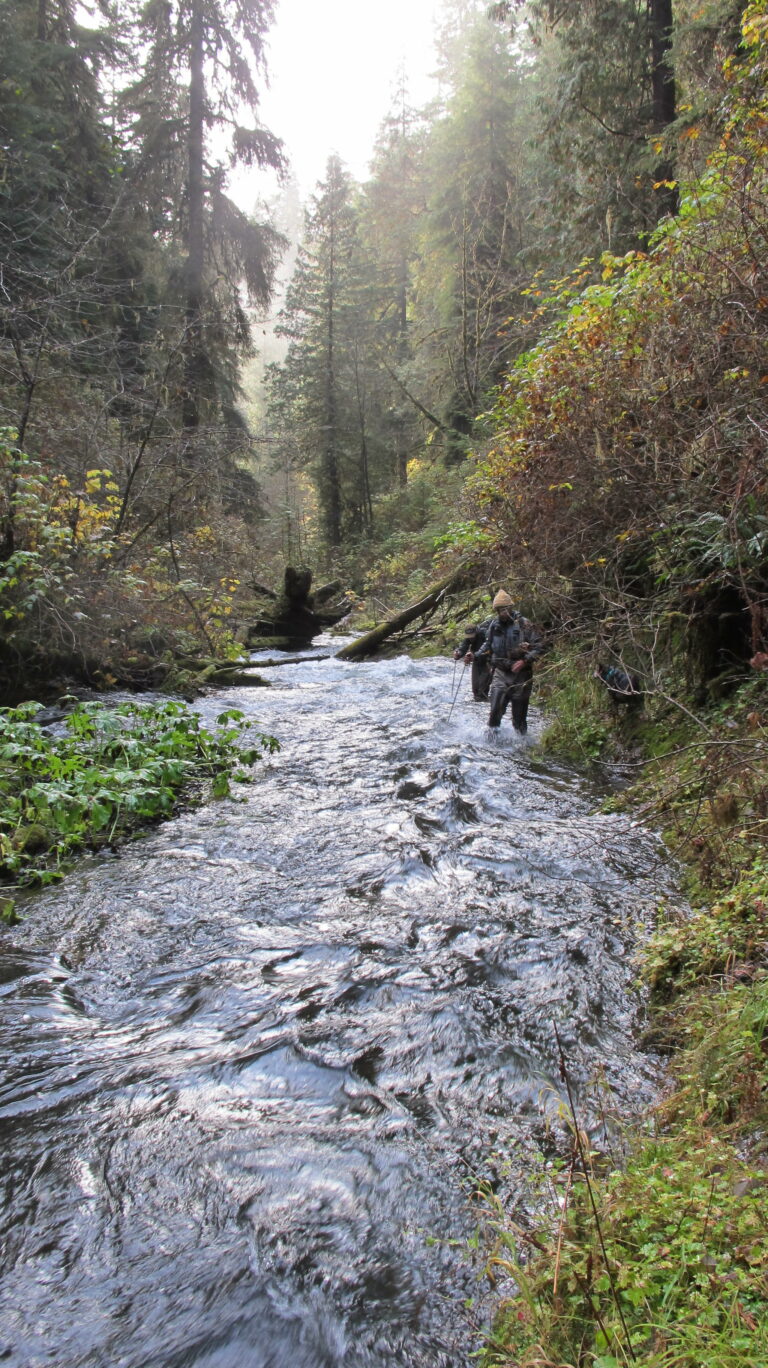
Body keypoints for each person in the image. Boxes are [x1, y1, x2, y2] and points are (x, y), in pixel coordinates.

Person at [469, 590, 541, 735]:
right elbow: (487, 644)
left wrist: (524, 661)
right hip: (500, 672)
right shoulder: (494, 625)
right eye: (499, 610)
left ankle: (522, 742)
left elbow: (540, 646)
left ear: (511, 608)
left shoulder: (524, 624)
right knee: (495, 710)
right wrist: (474, 655)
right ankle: (492, 740)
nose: (502, 612)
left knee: (519, 718)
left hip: (522, 675)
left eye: (505, 609)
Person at [452, 621, 491, 701]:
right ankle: (477, 699)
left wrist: (476, 655)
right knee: (475, 688)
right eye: (469, 637)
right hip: (476, 659)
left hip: (487, 660)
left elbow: (489, 648)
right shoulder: (468, 637)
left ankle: (483, 699)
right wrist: (458, 653)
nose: (471, 638)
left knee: (482, 688)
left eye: (472, 636)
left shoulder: (485, 634)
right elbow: (463, 647)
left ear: (476, 632)